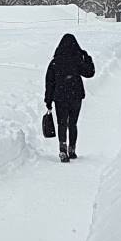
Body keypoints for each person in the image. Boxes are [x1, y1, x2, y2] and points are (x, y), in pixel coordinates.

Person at [44, 32, 96, 163]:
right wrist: (87, 57)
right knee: (72, 123)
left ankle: (63, 149)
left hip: (60, 97)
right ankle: (72, 149)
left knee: (62, 123)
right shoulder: (77, 60)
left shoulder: (55, 62)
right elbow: (90, 73)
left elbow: (49, 82)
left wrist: (48, 101)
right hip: (75, 96)